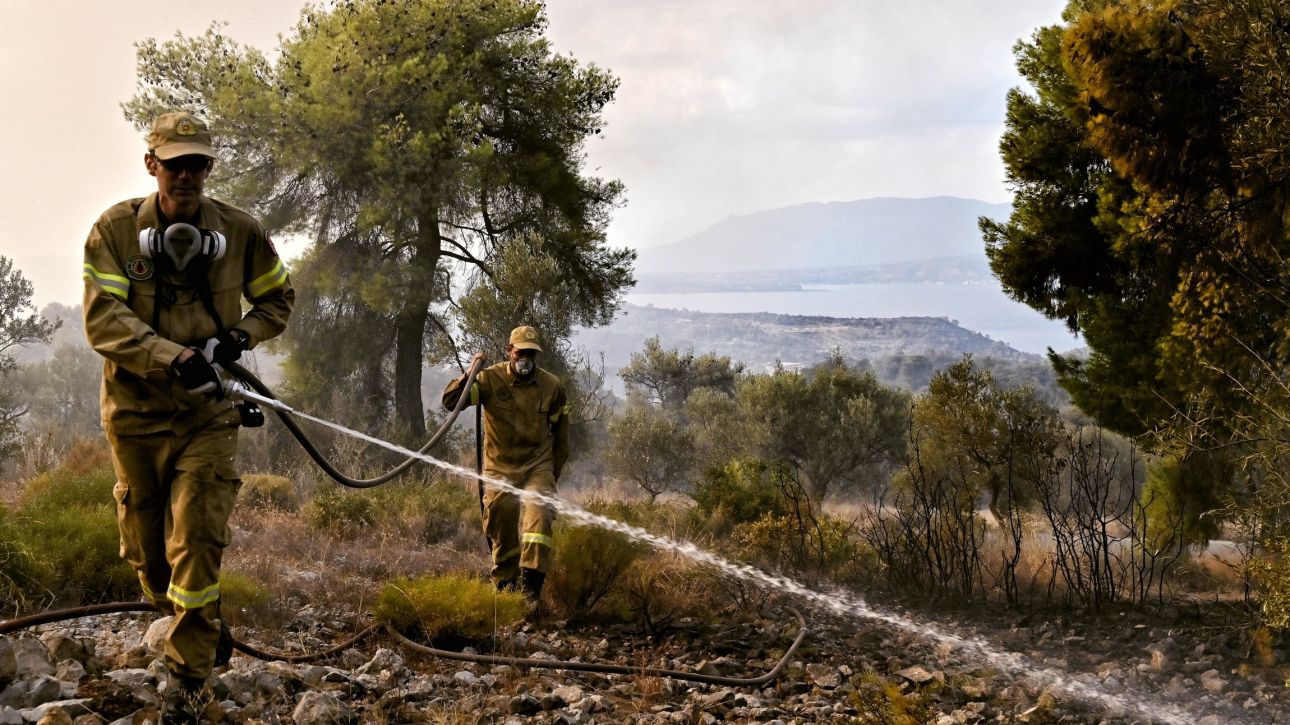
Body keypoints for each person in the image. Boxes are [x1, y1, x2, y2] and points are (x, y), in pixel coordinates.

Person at [82, 111, 293, 720]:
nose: (188, 175)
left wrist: (236, 340)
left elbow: (279, 296)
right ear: (152, 165)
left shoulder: (242, 232)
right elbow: (102, 319)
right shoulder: (115, 232)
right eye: (175, 163)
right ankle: (191, 617)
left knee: (196, 540)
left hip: (208, 418)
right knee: (150, 560)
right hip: (134, 415)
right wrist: (170, 356)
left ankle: (188, 678)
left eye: (198, 163)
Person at [443, 325, 571, 602]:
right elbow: (451, 401)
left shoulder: (552, 387)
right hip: (500, 468)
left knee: (539, 521)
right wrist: (470, 372)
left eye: (530, 353)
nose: (524, 358)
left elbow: (562, 438)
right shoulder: (490, 380)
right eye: (520, 352)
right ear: (509, 350)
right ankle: (506, 587)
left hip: (537, 466)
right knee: (500, 522)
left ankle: (531, 594)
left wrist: (550, 478)